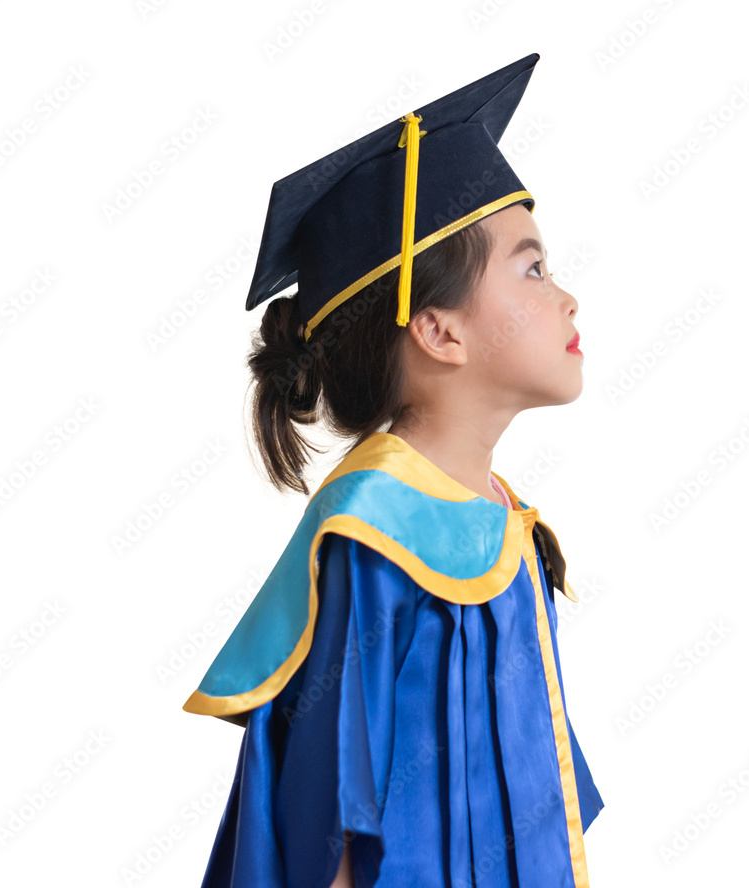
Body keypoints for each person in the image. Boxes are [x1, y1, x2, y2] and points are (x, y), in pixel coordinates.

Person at [182, 52, 604, 888]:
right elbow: (329, 810)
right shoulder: (375, 528)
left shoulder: (508, 520)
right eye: (532, 268)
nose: (567, 297)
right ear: (439, 331)